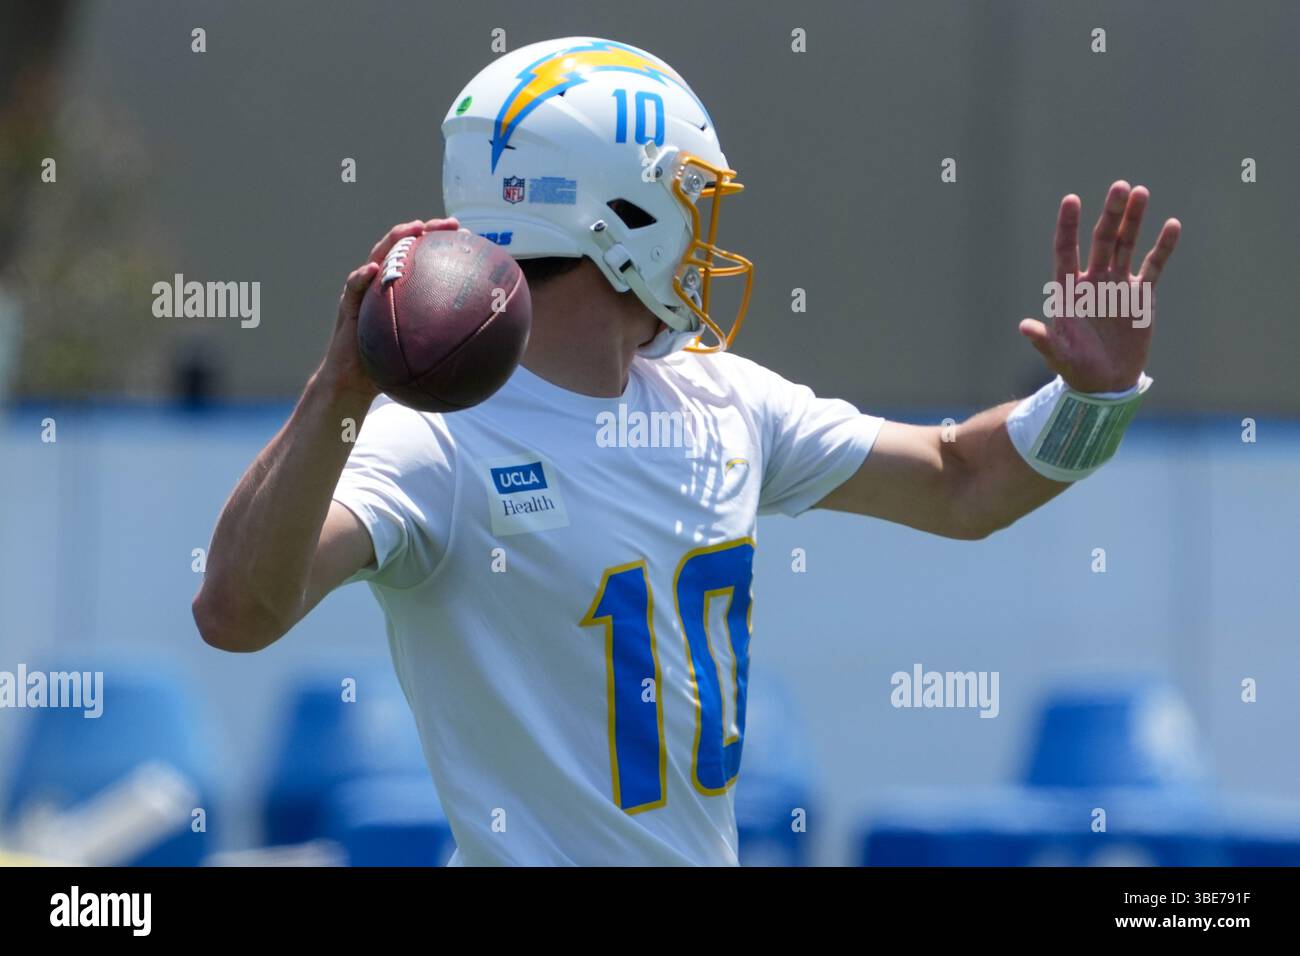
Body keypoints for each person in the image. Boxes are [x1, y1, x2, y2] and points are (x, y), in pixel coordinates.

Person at [192, 37, 1181, 865]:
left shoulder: (721, 397)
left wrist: (1091, 396)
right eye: (689, 198)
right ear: (620, 214)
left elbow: (963, 483)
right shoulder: (432, 434)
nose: (705, 228)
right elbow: (236, 611)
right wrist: (343, 387)